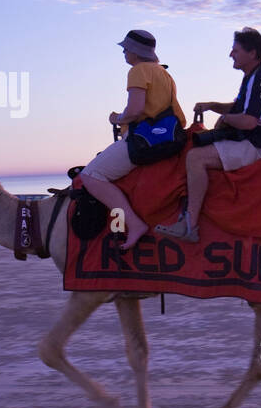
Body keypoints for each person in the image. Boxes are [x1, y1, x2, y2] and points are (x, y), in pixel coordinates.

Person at [157, 27, 261, 243]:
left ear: (252, 53)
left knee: (195, 158)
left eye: (235, 50)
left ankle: (189, 225)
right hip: (247, 139)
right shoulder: (252, 77)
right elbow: (239, 107)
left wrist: (225, 119)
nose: (230, 54)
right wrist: (213, 106)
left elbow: (249, 121)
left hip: (255, 144)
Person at [80, 29, 187, 249]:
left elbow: (135, 110)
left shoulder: (138, 71)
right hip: (164, 137)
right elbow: (176, 115)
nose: (124, 53)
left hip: (141, 140)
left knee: (91, 176)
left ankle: (134, 224)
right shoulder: (164, 73)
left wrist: (117, 118)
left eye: (126, 48)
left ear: (136, 52)